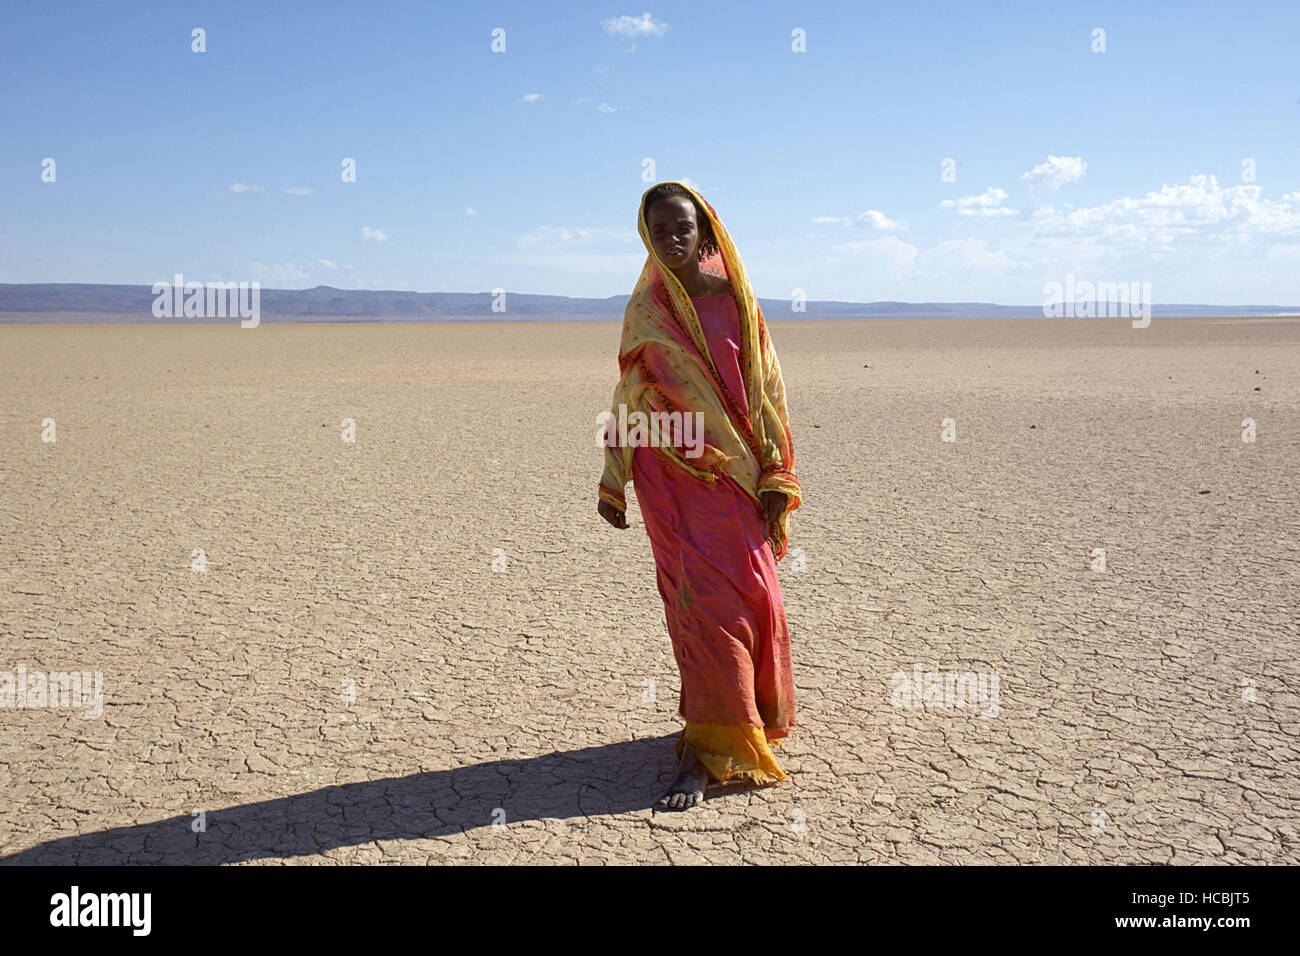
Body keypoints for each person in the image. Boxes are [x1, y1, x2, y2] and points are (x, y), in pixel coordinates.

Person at [597, 180, 802, 811]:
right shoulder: (647, 309)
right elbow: (631, 390)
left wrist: (775, 472)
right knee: (701, 604)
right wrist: (615, 474)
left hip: (734, 472)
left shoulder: (737, 301)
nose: (672, 240)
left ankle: (751, 715)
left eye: (683, 228)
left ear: (706, 231)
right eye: (659, 232)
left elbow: (765, 388)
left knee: (754, 593)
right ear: (647, 238)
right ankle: (706, 748)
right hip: (669, 474)